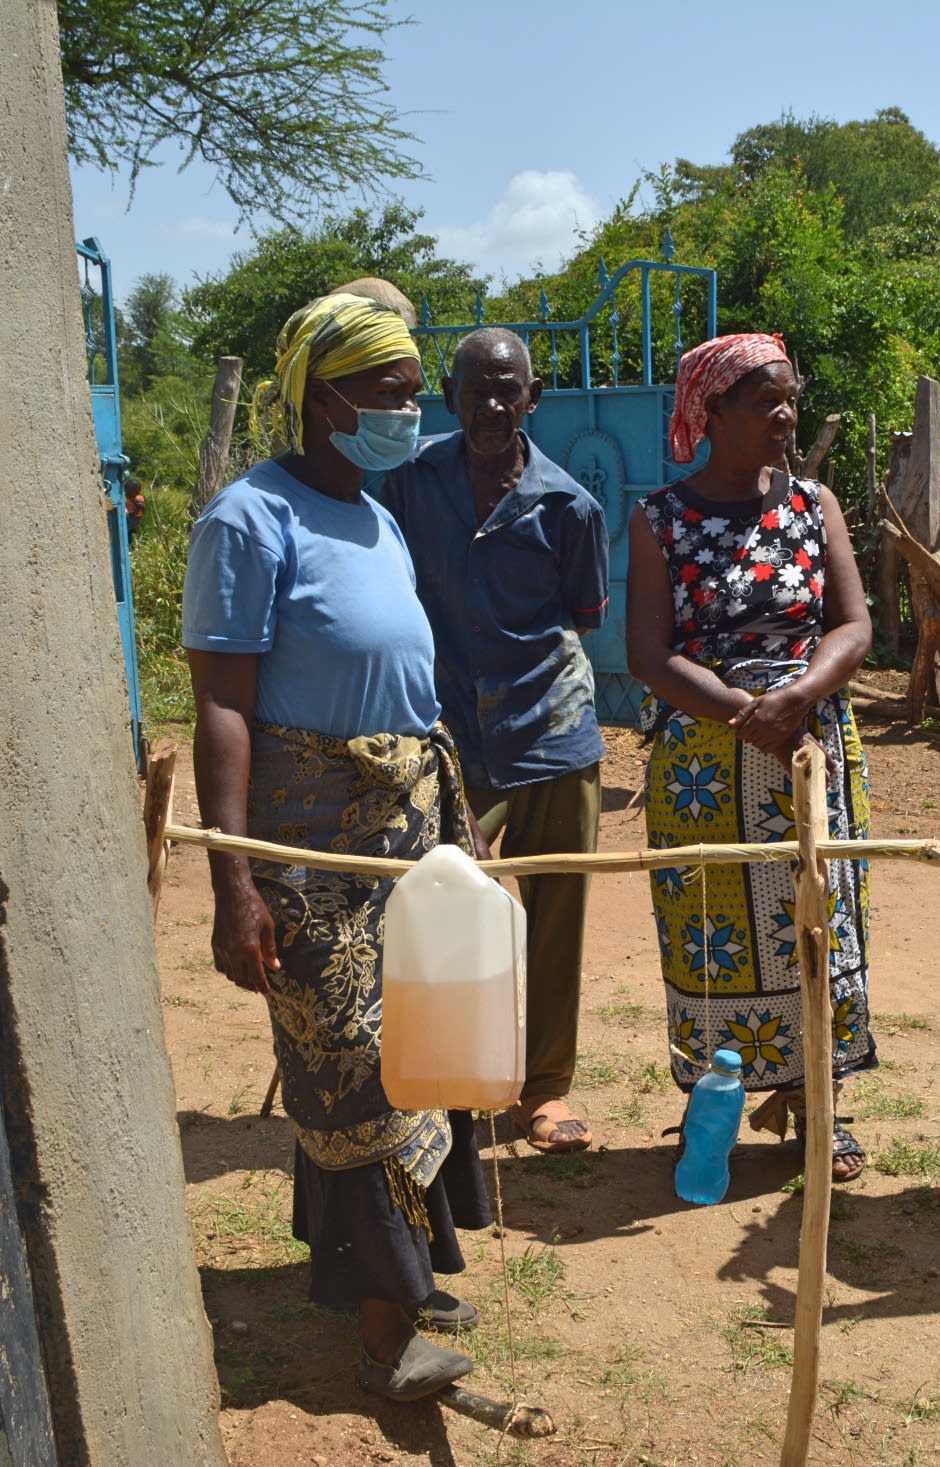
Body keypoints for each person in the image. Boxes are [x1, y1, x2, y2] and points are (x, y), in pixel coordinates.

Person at [180, 293, 490, 1403]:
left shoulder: (376, 514)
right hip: (316, 851)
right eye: (392, 394)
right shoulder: (249, 520)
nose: (412, 412)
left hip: (409, 841)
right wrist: (236, 878)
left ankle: (405, 1275)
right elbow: (220, 702)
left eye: (415, 393)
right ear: (322, 398)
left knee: (428, 1051)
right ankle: (384, 1341)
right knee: (355, 1073)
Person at [625, 333, 878, 1182]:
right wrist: (742, 710)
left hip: (810, 749)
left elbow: (853, 623)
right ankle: (717, 1102)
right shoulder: (660, 517)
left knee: (818, 923)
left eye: (791, 397)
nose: (786, 414)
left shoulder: (814, 503)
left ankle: (821, 1104)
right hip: (708, 757)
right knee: (715, 937)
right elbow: (650, 654)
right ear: (713, 413)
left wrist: (799, 697)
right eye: (766, 400)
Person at [382, 327, 609, 1154]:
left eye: (506, 389)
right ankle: (445, 1080)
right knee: (435, 905)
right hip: (444, 736)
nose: (490, 405)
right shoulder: (408, 485)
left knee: (556, 916)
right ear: (449, 398)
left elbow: (583, 617)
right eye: (474, 389)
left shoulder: (569, 507)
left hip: (550, 730)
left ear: (532, 398)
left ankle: (544, 1088)